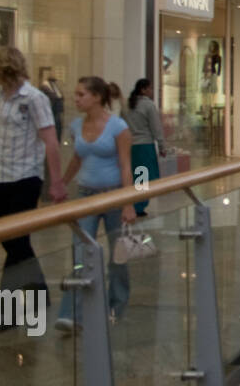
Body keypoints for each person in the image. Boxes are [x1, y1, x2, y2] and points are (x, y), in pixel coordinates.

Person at [0, 47, 67, 333]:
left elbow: (50, 140)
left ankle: (7, 312)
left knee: (16, 242)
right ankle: (38, 291)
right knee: (10, 241)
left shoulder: (35, 98)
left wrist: (56, 182)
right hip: (3, 178)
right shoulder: (1, 99)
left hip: (25, 178)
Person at [56, 77, 136, 332]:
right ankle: (72, 313)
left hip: (112, 195)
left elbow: (126, 165)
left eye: (81, 95)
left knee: (117, 255)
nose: (76, 99)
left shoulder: (118, 127)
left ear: (97, 97)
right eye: (76, 94)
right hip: (85, 195)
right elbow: (78, 157)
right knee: (80, 252)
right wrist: (62, 183)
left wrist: (128, 202)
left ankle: (116, 304)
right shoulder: (76, 125)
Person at [122, 78, 166, 216]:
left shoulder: (126, 105)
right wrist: (162, 146)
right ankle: (139, 205)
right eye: (150, 89)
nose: (152, 91)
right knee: (143, 177)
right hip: (144, 146)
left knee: (134, 176)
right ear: (143, 90)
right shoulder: (148, 105)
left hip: (130, 146)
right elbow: (156, 128)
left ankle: (133, 202)